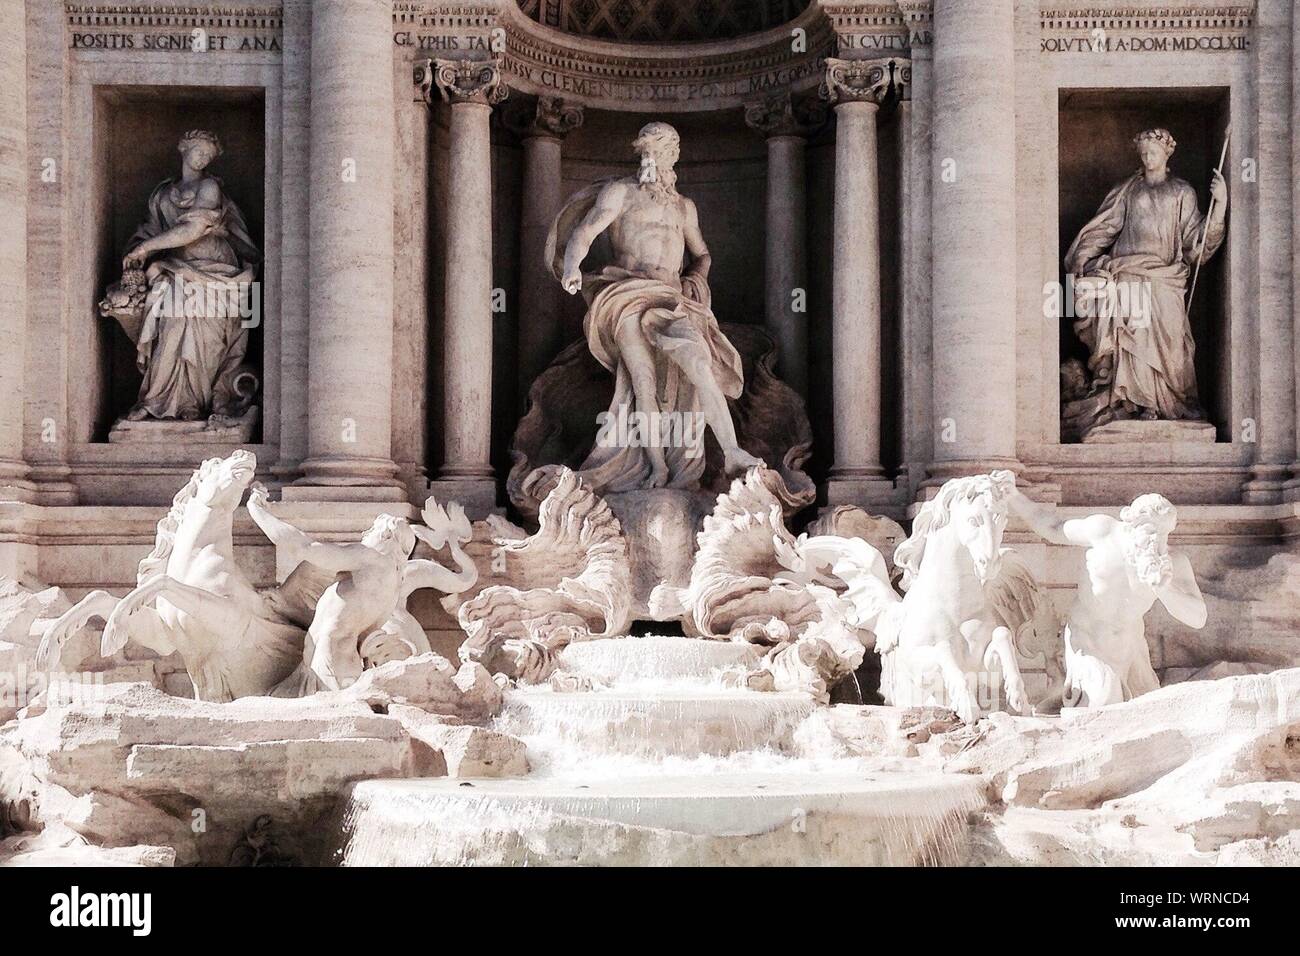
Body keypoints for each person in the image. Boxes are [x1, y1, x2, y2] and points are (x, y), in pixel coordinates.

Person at [547, 121, 763, 491]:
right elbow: (586, 230)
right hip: (627, 293)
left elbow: (703, 254)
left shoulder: (684, 208)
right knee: (642, 381)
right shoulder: (621, 193)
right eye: (647, 152)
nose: (653, 160)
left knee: (700, 364)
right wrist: (571, 267)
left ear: (673, 158)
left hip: (672, 298)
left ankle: (732, 452)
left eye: (661, 153)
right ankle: (657, 466)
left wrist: (697, 279)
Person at [1065, 128, 1227, 422]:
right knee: (1130, 338)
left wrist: (1220, 205)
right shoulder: (1129, 189)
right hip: (1126, 271)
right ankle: (1132, 404)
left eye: (1152, 152)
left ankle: (1167, 402)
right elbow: (1105, 227)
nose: (1147, 157)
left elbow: (1197, 242)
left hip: (1165, 278)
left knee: (1171, 341)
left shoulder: (1181, 192)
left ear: (1167, 154)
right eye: (1143, 153)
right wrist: (1082, 255)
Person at [1007, 489, 1207, 706]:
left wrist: (1165, 589)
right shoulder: (1103, 531)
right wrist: (1013, 496)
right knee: (1105, 701)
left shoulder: (1172, 561)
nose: (1156, 541)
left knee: (1148, 713)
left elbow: (1198, 618)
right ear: (1132, 523)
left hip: (1130, 648)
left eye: (1164, 534)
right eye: (1151, 531)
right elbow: (1053, 527)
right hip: (1087, 642)